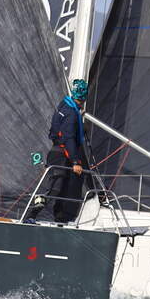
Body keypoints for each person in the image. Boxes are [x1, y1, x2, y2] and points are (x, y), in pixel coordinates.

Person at [43, 78, 91, 223]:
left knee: (61, 189)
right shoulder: (71, 113)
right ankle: (31, 215)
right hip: (62, 155)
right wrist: (76, 161)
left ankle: (60, 219)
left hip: (57, 152)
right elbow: (68, 138)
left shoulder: (64, 106)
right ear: (84, 98)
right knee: (56, 189)